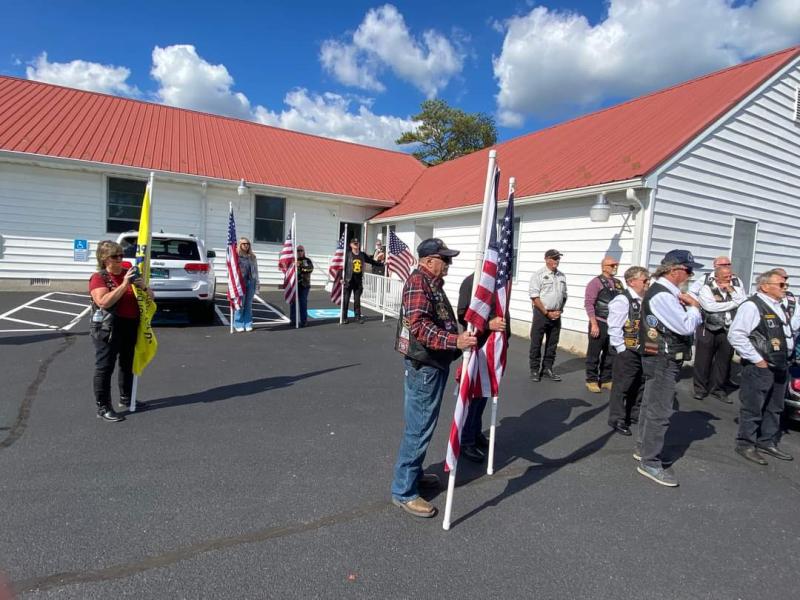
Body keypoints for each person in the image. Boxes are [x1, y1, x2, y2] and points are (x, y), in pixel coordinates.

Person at [391, 238, 477, 518]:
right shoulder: (420, 283)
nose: (449, 264)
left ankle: (413, 476)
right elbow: (419, 327)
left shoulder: (430, 284)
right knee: (418, 428)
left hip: (430, 365)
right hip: (425, 367)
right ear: (429, 261)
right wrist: (455, 341)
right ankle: (404, 491)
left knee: (422, 426)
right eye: (445, 259)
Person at [636, 250, 703, 487]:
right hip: (663, 358)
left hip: (661, 356)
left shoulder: (667, 293)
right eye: (688, 270)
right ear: (674, 270)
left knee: (650, 404)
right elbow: (685, 326)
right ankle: (650, 461)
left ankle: (644, 449)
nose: (690, 275)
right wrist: (695, 307)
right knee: (659, 409)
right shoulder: (663, 295)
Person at [728, 269, 799, 465]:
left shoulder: (780, 305)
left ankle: (766, 441)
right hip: (761, 366)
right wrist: (758, 360)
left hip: (781, 364)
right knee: (753, 406)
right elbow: (736, 335)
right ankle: (746, 444)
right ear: (765, 286)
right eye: (781, 284)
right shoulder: (752, 306)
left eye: (786, 284)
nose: (785, 288)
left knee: (775, 407)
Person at [89, 240, 153, 422]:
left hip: (130, 325)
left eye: (121, 255)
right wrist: (124, 285)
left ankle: (127, 397)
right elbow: (103, 302)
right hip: (108, 328)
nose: (119, 259)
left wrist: (144, 287)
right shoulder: (99, 278)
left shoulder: (129, 273)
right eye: (114, 256)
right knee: (105, 366)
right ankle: (103, 407)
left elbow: (151, 297)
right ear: (104, 258)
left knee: (127, 364)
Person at [456, 273, 509, 462]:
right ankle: (466, 440)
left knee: (484, 394)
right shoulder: (473, 280)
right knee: (474, 396)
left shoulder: (500, 279)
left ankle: (475, 431)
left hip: (494, 348)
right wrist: (487, 324)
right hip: (479, 346)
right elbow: (463, 315)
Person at [693, 265, 747, 403]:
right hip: (709, 327)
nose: (729, 279)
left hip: (728, 329)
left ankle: (717, 389)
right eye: (725, 277)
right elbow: (710, 307)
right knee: (703, 360)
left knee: (724, 361)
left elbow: (743, 303)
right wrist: (733, 304)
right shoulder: (706, 288)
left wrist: (732, 292)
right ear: (717, 277)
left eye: (730, 276)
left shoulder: (735, 288)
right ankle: (700, 389)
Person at [606, 266, 650, 435]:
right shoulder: (622, 300)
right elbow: (614, 327)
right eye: (644, 280)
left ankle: (633, 413)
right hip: (627, 350)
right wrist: (622, 349)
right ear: (632, 282)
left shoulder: (645, 298)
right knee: (622, 386)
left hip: (643, 349)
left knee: (640, 383)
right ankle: (617, 418)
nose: (648, 283)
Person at [584, 256, 623, 392]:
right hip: (599, 322)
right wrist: (593, 324)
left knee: (610, 353)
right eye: (612, 265)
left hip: (614, 324)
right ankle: (591, 380)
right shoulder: (595, 283)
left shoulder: (618, 283)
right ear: (604, 267)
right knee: (594, 353)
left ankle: (606, 379)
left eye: (616, 265)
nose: (615, 267)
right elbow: (589, 304)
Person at [529, 249, 568, 382]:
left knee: (552, 343)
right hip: (541, 313)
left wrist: (560, 310)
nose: (556, 261)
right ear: (546, 259)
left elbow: (564, 295)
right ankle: (535, 369)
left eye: (558, 258)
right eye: (554, 258)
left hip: (556, 314)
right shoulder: (538, 275)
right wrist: (547, 313)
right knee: (536, 342)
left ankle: (547, 368)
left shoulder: (561, 276)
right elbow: (534, 297)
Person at [342, 238, 383, 324]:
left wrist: (382, 264)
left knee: (357, 300)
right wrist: (341, 278)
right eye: (354, 243)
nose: (356, 245)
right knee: (346, 300)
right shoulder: (347, 255)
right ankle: (344, 317)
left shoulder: (362, 255)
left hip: (358, 281)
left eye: (357, 243)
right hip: (348, 280)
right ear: (351, 245)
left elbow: (371, 261)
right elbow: (342, 267)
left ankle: (357, 317)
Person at [233, 238, 259, 332]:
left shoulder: (252, 256)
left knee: (248, 303)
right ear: (240, 245)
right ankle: (238, 323)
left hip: (251, 281)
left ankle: (248, 323)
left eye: (248, 244)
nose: (246, 245)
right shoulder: (235, 256)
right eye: (244, 243)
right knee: (240, 303)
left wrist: (257, 282)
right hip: (240, 282)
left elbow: (256, 270)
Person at [289, 245, 313, 327]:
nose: (299, 252)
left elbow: (310, 269)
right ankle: (293, 320)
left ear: (304, 251)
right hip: (294, 285)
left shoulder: (307, 260)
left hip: (304, 285)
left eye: (301, 250)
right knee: (293, 303)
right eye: (298, 250)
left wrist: (300, 266)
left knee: (303, 303)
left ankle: (304, 321)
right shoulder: (293, 260)